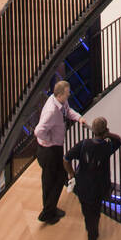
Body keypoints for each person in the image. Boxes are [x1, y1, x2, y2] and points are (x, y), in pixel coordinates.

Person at [34, 80, 86, 224]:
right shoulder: (51, 110)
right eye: (67, 93)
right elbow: (38, 131)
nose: (69, 95)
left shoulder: (60, 102)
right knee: (54, 179)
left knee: (51, 180)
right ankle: (47, 212)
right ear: (61, 94)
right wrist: (49, 140)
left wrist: (79, 117)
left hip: (54, 148)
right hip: (48, 150)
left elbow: (68, 111)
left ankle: (49, 210)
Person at [63, 115, 121, 240]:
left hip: (83, 185)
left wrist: (71, 174)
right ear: (105, 130)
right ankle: (92, 234)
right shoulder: (106, 148)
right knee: (95, 212)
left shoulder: (84, 145)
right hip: (99, 187)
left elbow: (66, 159)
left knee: (87, 211)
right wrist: (108, 134)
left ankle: (90, 229)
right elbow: (118, 140)